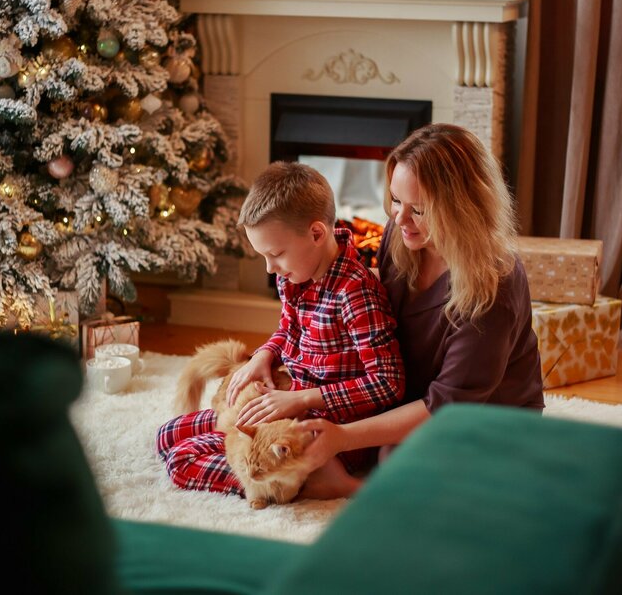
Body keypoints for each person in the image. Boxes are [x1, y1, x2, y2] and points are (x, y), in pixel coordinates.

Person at [291, 123, 544, 498]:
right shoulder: (403, 234)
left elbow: (446, 406)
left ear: (462, 208)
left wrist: (342, 438)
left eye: (420, 209)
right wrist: (274, 354)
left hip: (485, 418)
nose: (399, 218)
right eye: (395, 200)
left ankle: (353, 489)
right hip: (408, 393)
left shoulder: (493, 286)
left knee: (398, 458)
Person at [156, 161, 405, 496]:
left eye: (275, 254)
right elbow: (288, 330)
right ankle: (277, 472)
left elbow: (388, 384)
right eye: (263, 257)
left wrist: (301, 399)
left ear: (317, 233)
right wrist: (265, 354)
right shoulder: (296, 274)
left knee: (180, 461)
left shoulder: (355, 293)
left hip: (321, 428)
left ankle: (287, 482)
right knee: (166, 436)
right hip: (287, 402)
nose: (271, 268)